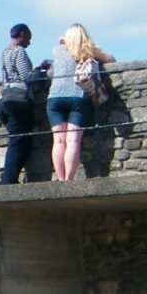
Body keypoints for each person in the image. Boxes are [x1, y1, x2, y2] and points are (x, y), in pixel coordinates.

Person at [47, 23, 114, 181]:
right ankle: (68, 179)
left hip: (54, 99)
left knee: (58, 140)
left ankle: (60, 178)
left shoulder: (57, 50)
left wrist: (63, 40)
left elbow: (59, 43)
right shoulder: (87, 50)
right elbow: (111, 59)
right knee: (73, 140)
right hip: (77, 97)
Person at [0, 24, 50, 184]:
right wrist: (41, 72)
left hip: (5, 100)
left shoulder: (5, 52)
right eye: (28, 38)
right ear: (22, 34)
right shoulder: (19, 52)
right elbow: (26, 78)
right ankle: (8, 181)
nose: (29, 42)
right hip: (18, 101)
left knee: (21, 141)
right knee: (18, 141)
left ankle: (9, 178)